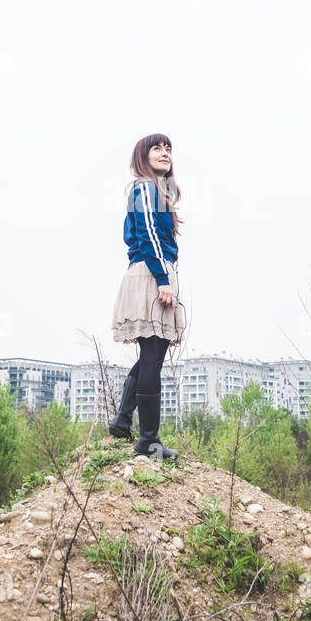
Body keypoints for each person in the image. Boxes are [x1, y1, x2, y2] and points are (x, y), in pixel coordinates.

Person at [109, 133, 187, 460]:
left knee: (150, 352)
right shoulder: (145, 188)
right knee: (154, 354)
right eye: (157, 148)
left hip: (152, 271)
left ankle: (123, 421)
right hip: (151, 273)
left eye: (168, 148)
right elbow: (150, 235)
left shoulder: (160, 192)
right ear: (143, 155)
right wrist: (163, 278)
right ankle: (148, 442)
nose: (164, 153)